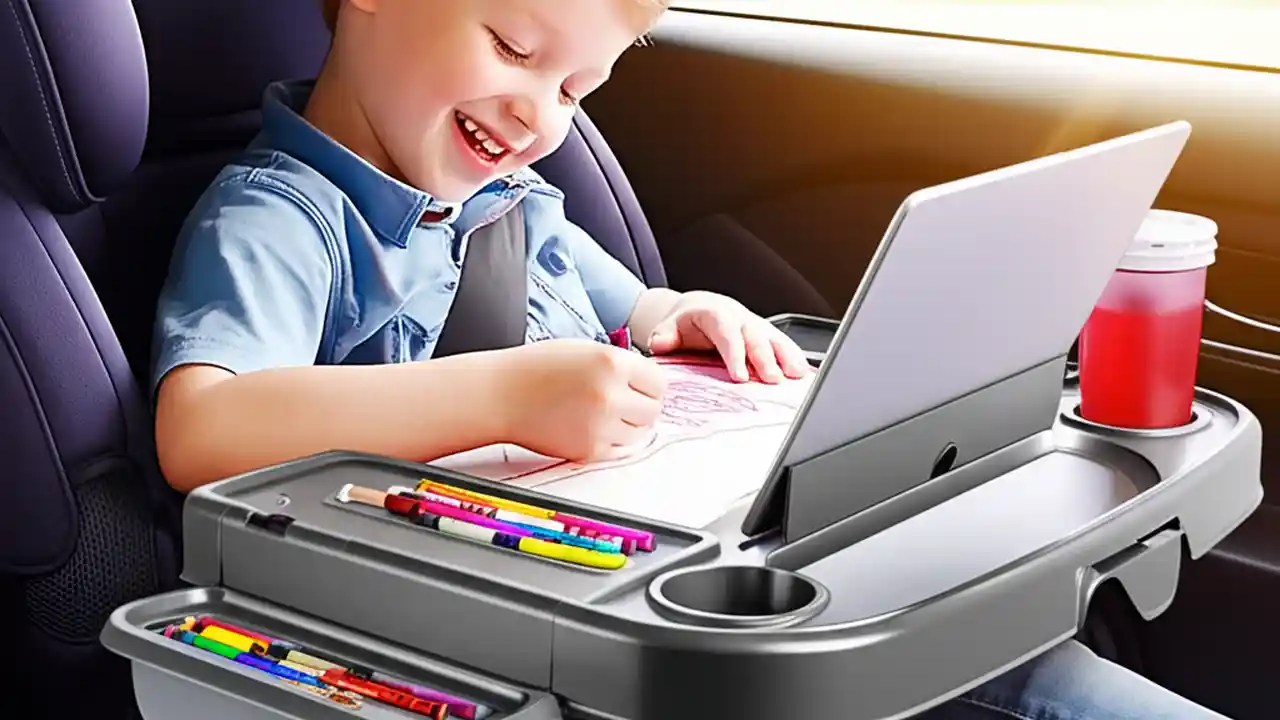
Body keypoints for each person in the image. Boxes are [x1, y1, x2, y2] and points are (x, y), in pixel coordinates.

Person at [148, 2, 1229, 719]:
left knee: (1013, 669)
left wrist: (682, 312)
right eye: (515, 50)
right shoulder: (280, 221)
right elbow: (205, 428)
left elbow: (628, 309)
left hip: (666, 567)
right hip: (522, 626)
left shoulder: (510, 198)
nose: (536, 116)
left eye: (575, 92)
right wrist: (497, 394)